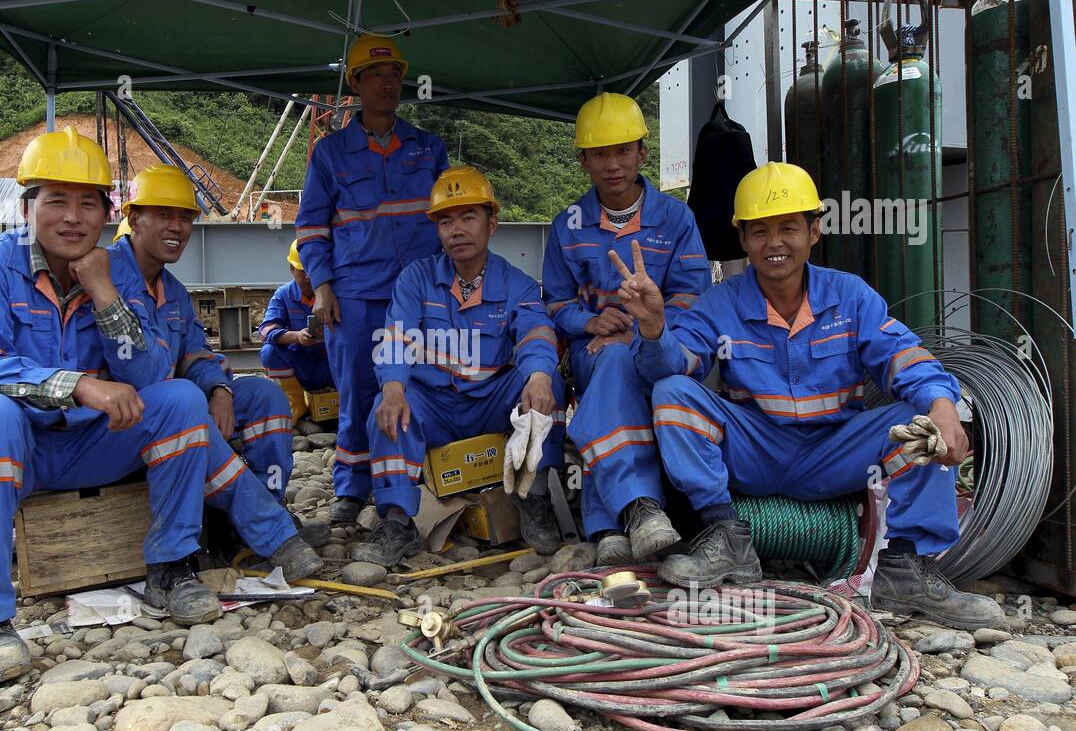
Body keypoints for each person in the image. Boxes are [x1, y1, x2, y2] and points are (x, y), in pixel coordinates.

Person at [612, 162, 1005, 630]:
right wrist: (654, 326)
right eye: (759, 231)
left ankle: (905, 571)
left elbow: (901, 356)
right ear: (742, 239)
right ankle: (725, 538)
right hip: (755, 451)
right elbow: (672, 366)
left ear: (814, 231)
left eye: (788, 228)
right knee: (674, 392)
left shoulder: (850, 297)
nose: (774, 243)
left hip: (835, 453)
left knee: (918, 420)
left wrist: (943, 406)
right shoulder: (721, 301)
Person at [0, 128, 223, 679]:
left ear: (109, 213)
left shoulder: (114, 270)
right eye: (56, 200)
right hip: (2, 446)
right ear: (27, 205)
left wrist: (104, 293)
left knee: (178, 400)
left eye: (88, 202)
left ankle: (171, 568)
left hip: (80, 446)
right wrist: (78, 385)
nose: (73, 217)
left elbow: (151, 372)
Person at [108, 164, 329, 561]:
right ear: (133, 217)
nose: (177, 226)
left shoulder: (171, 290)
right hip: (124, 419)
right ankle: (267, 529)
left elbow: (197, 350)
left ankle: (266, 507)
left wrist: (219, 387)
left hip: (177, 404)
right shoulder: (105, 278)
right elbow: (137, 371)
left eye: (185, 217)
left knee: (263, 395)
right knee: (184, 405)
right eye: (163, 214)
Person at [353, 167, 565, 566]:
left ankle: (535, 502)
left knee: (546, 380)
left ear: (492, 223)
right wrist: (393, 388)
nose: (457, 230)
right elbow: (396, 336)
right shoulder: (416, 279)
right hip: (434, 405)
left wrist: (538, 375)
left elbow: (536, 332)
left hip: (491, 405)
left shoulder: (516, 284)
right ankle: (397, 521)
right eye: (446, 221)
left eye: (469, 217)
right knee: (390, 405)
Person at [542, 92, 712, 566]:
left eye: (622, 150)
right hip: (593, 348)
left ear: (642, 152)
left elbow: (693, 296)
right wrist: (590, 321)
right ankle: (642, 508)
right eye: (599, 153)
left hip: (661, 342)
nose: (612, 164)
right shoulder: (568, 225)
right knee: (613, 360)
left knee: (629, 363)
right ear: (582, 160)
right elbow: (553, 301)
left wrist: (645, 327)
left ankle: (607, 522)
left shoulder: (676, 218)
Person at [295, 33, 449, 525]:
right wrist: (323, 288)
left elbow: (452, 221)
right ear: (356, 83)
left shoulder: (429, 149)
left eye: (395, 75)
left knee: (423, 383)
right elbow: (312, 229)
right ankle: (353, 487)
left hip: (422, 293)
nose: (388, 84)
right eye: (376, 75)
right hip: (357, 296)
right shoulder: (331, 154)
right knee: (359, 390)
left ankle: (419, 478)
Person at [258, 240, 335, 392]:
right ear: (292, 269)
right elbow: (265, 331)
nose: (308, 277)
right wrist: (297, 337)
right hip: (302, 366)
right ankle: (296, 402)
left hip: (333, 364)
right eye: (303, 271)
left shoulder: (335, 293)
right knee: (269, 352)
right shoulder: (283, 295)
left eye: (313, 271)